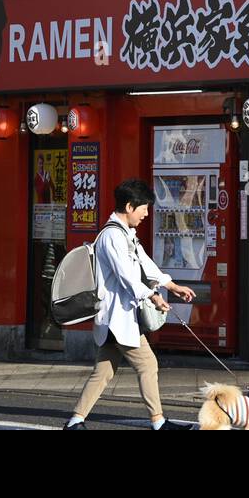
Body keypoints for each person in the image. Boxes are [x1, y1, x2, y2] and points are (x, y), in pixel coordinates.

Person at [65, 179, 196, 430]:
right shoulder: (113, 236)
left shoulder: (125, 234)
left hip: (117, 317)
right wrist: (151, 295)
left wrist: (171, 286)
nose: (147, 214)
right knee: (148, 364)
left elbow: (145, 264)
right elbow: (127, 275)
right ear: (129, 206)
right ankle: (158, 422)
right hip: (118, 316)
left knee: (103, 372)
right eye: (143, 208)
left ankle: (75, 421)